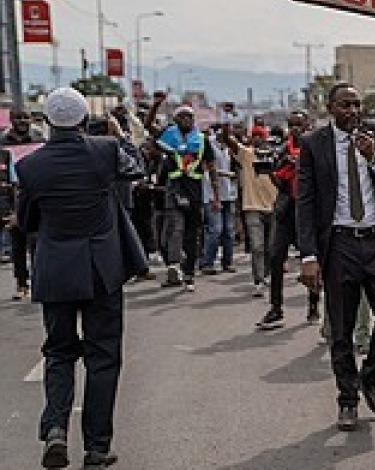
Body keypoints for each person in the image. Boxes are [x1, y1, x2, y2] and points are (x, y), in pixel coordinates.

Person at [18, 87, 147, 470]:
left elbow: (26, 221)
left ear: (46, 122)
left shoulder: (30, 166)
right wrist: (122, 136)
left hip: (56, 271)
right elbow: (137, 168)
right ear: (84, 119)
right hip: (101, 270)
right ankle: (96, 448)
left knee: (58, 352)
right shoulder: (105, 150)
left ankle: (56, 428)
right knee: (103, 357)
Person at [296, 83, 375, 431]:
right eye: (346, 105)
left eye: (357, 104)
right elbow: (306, 201)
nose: (354, 111)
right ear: (330, 107)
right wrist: (309, 255)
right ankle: (347, 400)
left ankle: (369, 378)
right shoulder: (314, 144)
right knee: (341, 330)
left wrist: (373, 157)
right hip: (339, 243)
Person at [257, 111, 322, 329]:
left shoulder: (314, 147)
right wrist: (275, 169)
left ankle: (313, 305)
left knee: (311, 258)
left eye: (299, 124)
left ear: (307, 125)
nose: (295, 128)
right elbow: (277, 181)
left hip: (308, 212)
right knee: (276, 257)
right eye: (292, 124)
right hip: (286, 209)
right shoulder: (282, 149)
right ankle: (276, 308)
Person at [149, 98, 220, 292]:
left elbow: (212, 168)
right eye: (183, 117)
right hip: (174, 189)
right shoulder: (169, 136)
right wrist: (155, 105)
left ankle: (188, 274)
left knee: (192, 235)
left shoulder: (202, 140)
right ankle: (174, 265)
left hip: (195, 191)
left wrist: (216, 197)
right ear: (176, 120)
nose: (187, 120)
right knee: (176, 228)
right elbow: (149, 127)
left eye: (190, 117)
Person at [226, 124, 278, 297]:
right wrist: (226, 126)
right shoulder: (246, 154)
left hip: (274, 207)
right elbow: (230, 142)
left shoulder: (276, 154)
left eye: (260, 136)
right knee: (257, 246)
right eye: (254, 135)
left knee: (271, 247)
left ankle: (268, 275)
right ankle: (259, 280)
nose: (257, 139)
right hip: (252, 207)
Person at [2, 107, 46, 299]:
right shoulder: (2, 143)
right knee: (17, 245)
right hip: (12, 200)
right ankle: (22, 284)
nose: (22, 121)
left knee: (37, 244)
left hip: (36, 198)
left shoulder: (40, 141)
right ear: (11, 120)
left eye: (25, 117)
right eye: (18, 118)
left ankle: (39, 282)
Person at [201, 124, 239, 275]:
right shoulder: (209, 145)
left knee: (229, 231)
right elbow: (205, 167)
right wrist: (225, 173)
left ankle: (227, 262)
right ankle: (208, 263)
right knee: (215, 230)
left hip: (228, 193)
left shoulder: (229, 147)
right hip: (212, 194)